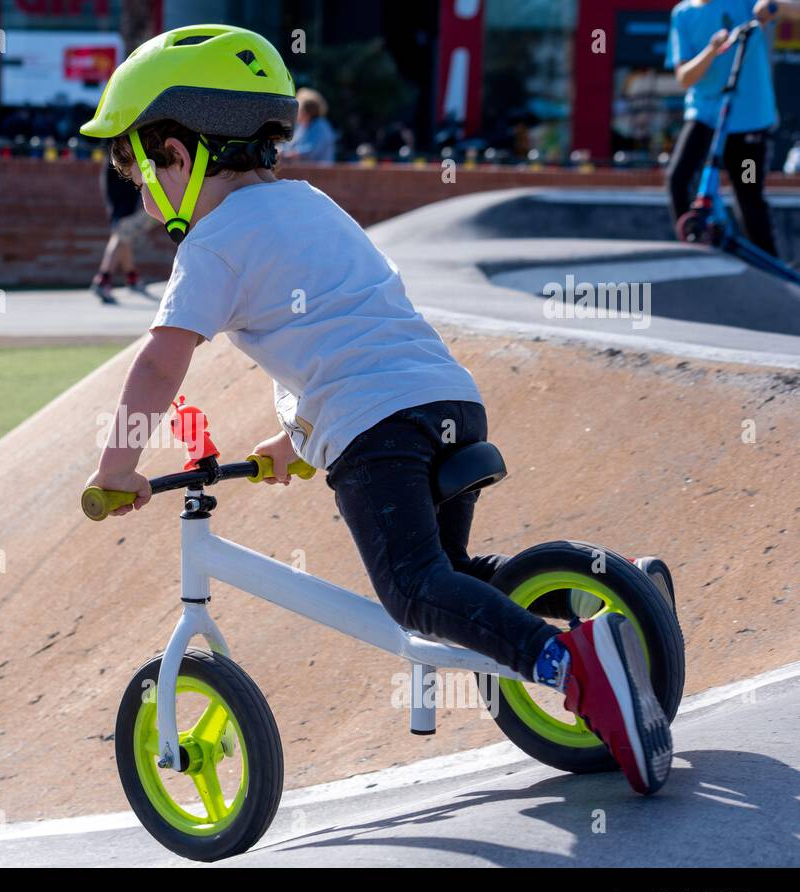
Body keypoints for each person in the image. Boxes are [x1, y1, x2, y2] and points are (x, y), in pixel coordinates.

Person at [80, 25, 676, 795]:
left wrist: (117, 465)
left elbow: (162, 359)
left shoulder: (213, 246)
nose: (144, 193)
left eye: (141, 171)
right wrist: (298, 437)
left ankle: (573, 667)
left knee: (415, 592)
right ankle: (618, 594)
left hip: (379, 428)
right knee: (456, 577)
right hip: (448, 399)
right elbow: (346, 327)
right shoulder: (312, 204)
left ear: (180, 155)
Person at [666, 0, 800, 256]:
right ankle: (692, 245)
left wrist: (775, 6)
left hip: (748, 120)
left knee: (748, 196)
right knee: (678, 178)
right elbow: (684, 77)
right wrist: (712, 50)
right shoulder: (683, 14)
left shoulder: (743, 2)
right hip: (705, 115)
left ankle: (769, 265)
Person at [91, 163, 156, 304]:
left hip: (113, 167)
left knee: (122, 228)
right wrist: (152, 184)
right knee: (123, 229)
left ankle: (132, 276)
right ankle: (103, 278)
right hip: (128, 170)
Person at [282, 87, 336, 163]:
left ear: (306, 112)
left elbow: (310, 152)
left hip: (319, 173)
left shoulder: (321, 126)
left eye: (298, 109)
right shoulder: (300, 126)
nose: (295, 112)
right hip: (303, 172)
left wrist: (286, 154)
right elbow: (288, 146)